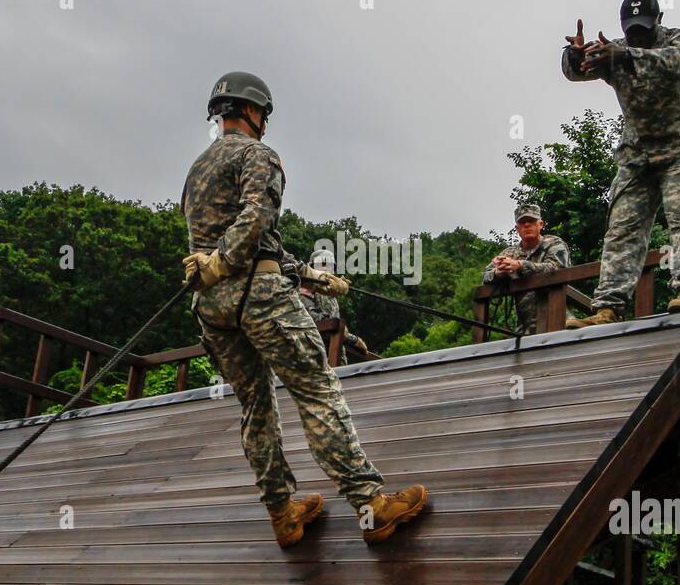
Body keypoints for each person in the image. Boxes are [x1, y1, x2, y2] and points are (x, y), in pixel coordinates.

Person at [180, 72, 426, 547]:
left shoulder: (196, 170)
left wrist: (315, 277)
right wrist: (228, 261)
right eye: (263, 114)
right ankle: (371, 504)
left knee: (254, 407)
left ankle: (283, 514)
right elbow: (256, 221)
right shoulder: (258, 155)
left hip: (213, 306)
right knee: (316, 391)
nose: (265, 123)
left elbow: (240, 244)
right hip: (259, 295)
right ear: (251, 111)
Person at [560, 0, 680, 326]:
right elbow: (575, 71)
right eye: (632, 31)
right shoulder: (612, 50)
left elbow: (677, 61)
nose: (637, 36)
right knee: (621, 229)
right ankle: (608, 307)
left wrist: (627, 56)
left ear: (658, 20)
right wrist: (574, 55)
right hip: (637, 155)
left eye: (643, 29)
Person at [482, 204, 571, 334]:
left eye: (531, 221)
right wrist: (498, 273)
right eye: (522, 222)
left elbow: (557, 268)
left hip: (558, 320)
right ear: (517, 228)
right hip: (525, 328)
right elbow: (485, 275)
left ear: (540, 224)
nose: (527, 225)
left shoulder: (554, 243)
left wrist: (520, 265)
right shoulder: (510, 253)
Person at [299, 250, 371, 364]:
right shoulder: (305, 289)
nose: (326, 269)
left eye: (330, 266)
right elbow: (312, 319)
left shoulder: (332, 297)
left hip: (335, 355)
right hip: (312, 355)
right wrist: (351, 338)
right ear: (311, 268)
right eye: (322, 264)